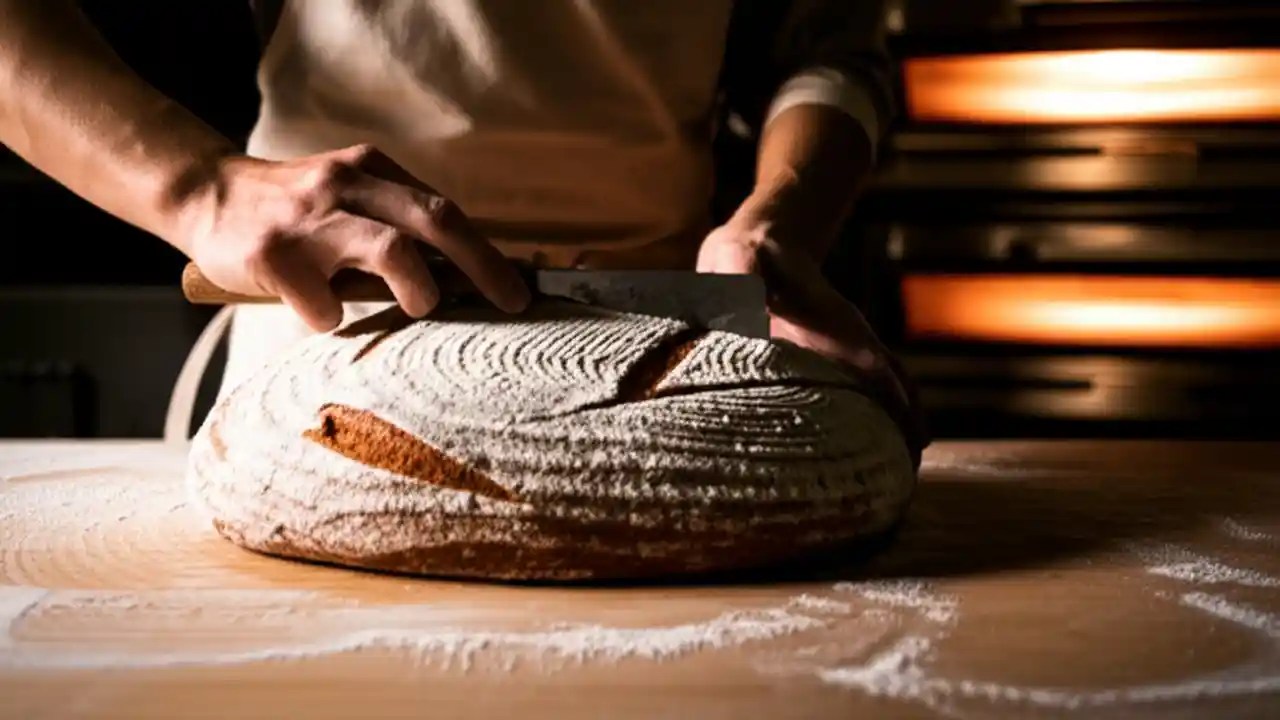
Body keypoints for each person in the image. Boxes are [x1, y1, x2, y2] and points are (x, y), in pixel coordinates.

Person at [0, 0, 925, 464]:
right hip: (329, 344)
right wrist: (202, 191)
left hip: (665, 364)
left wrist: (777, 222)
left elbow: (831, 52)